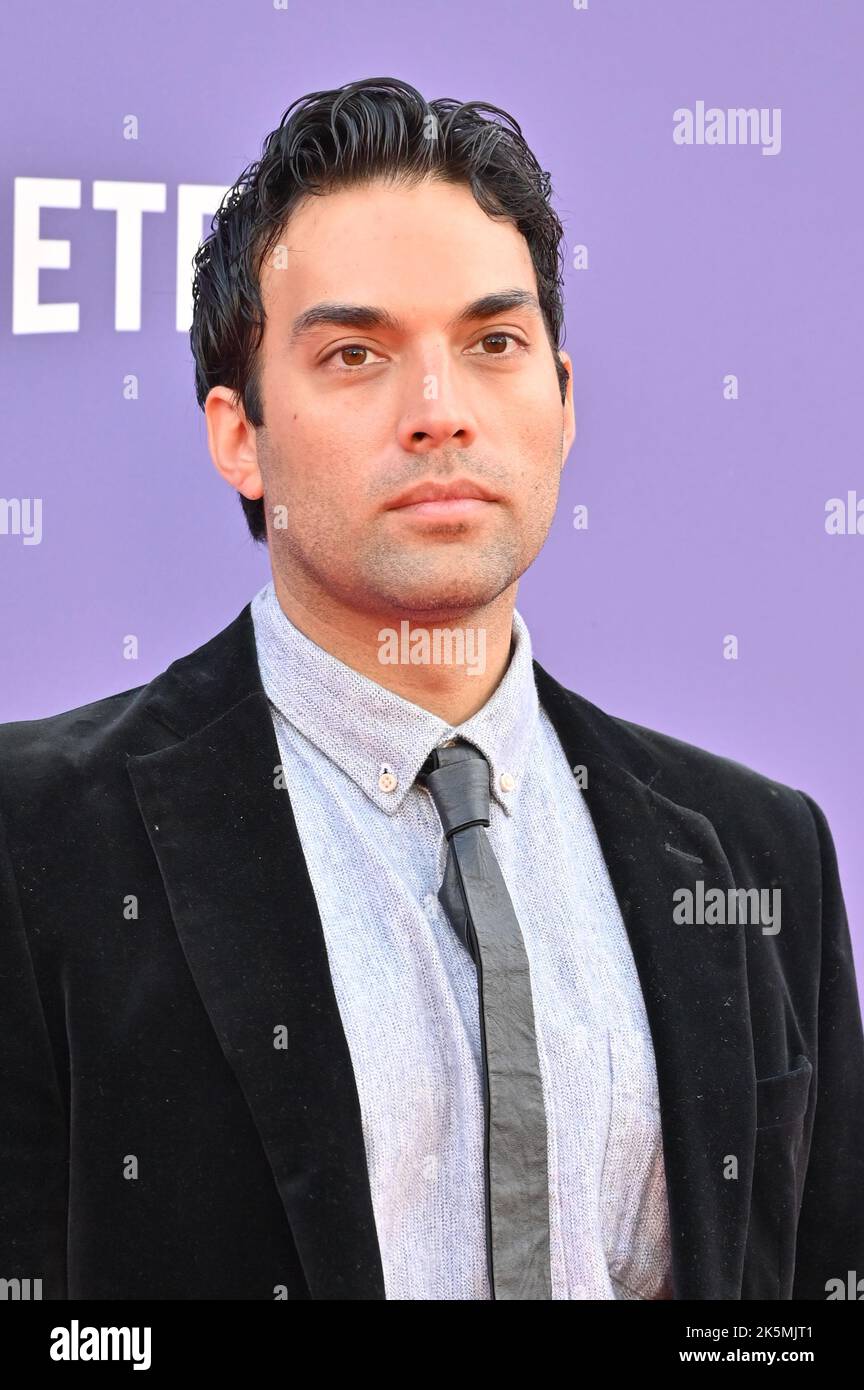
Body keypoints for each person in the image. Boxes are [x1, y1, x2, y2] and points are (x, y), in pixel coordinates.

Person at [1, 77, 862, 1302]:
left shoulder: (759, 852)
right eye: (355, 353)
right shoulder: (36, 838)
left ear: (562, 402)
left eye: (493, 344)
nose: (440, 413)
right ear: (237, 433)